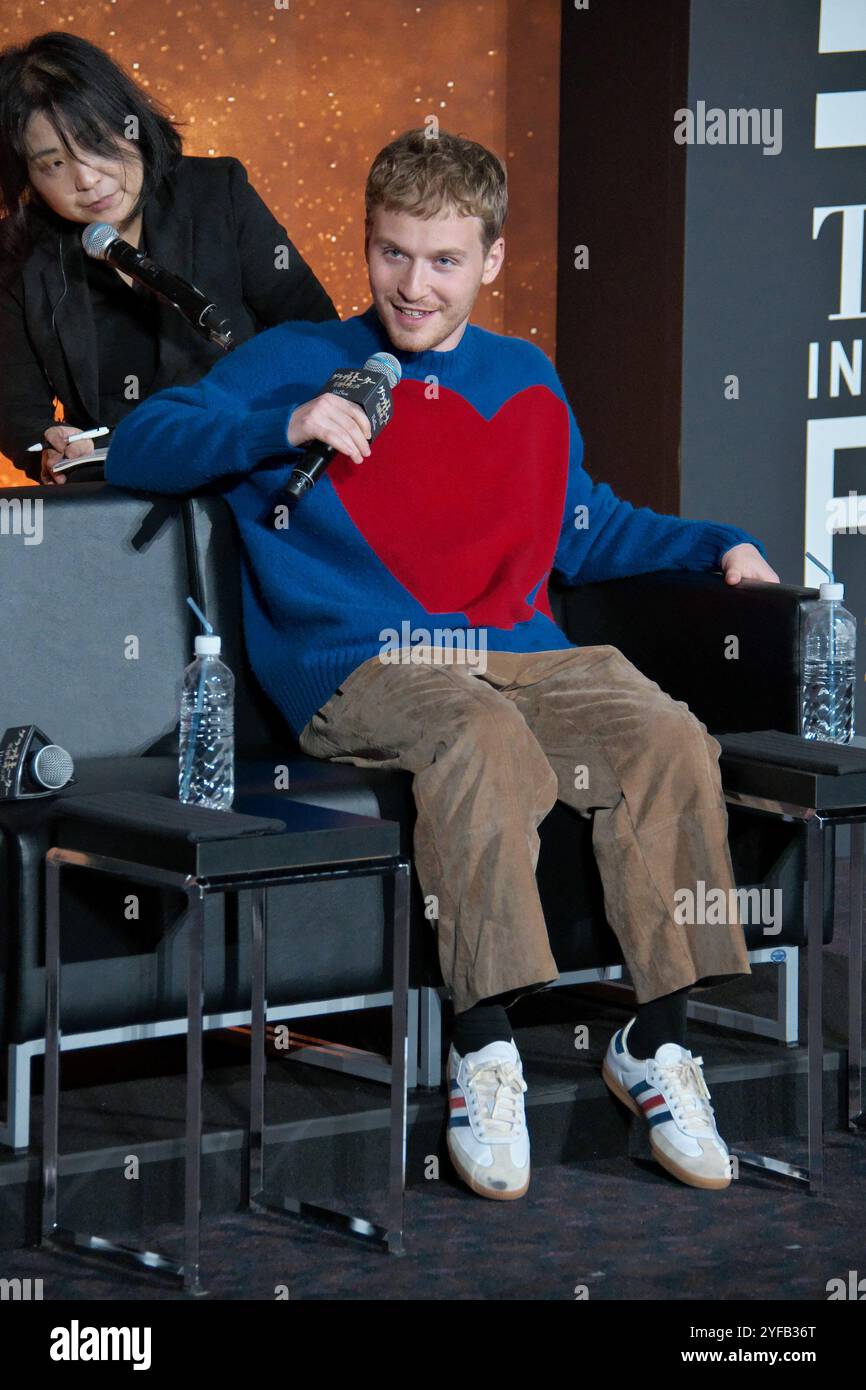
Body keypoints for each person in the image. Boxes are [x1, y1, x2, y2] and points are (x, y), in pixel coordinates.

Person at [106, 128, 781, 1202]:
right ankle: (483, 1048)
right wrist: (286, 422)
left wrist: (711, 543)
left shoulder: (523, 378)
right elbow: (140, 441)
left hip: (517, 650)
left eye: (443, 260)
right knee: (479, 742)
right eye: (390, 254)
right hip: (358, 664)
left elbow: (581, 529)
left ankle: (652, 1044)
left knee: (662, 737)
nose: (412, 286)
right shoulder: (293, 359)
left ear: (492, 260)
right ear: (365, 245)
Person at [0, 31, 337, 485]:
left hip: (254, 472)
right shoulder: (17, 253)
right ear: (28, 176)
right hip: (120, 495)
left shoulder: (218, 192)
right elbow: (17, 407)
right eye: (53, 164)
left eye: (96, 141)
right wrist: (47, 441)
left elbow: (313, 331)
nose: (85, 178)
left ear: (130, 121)